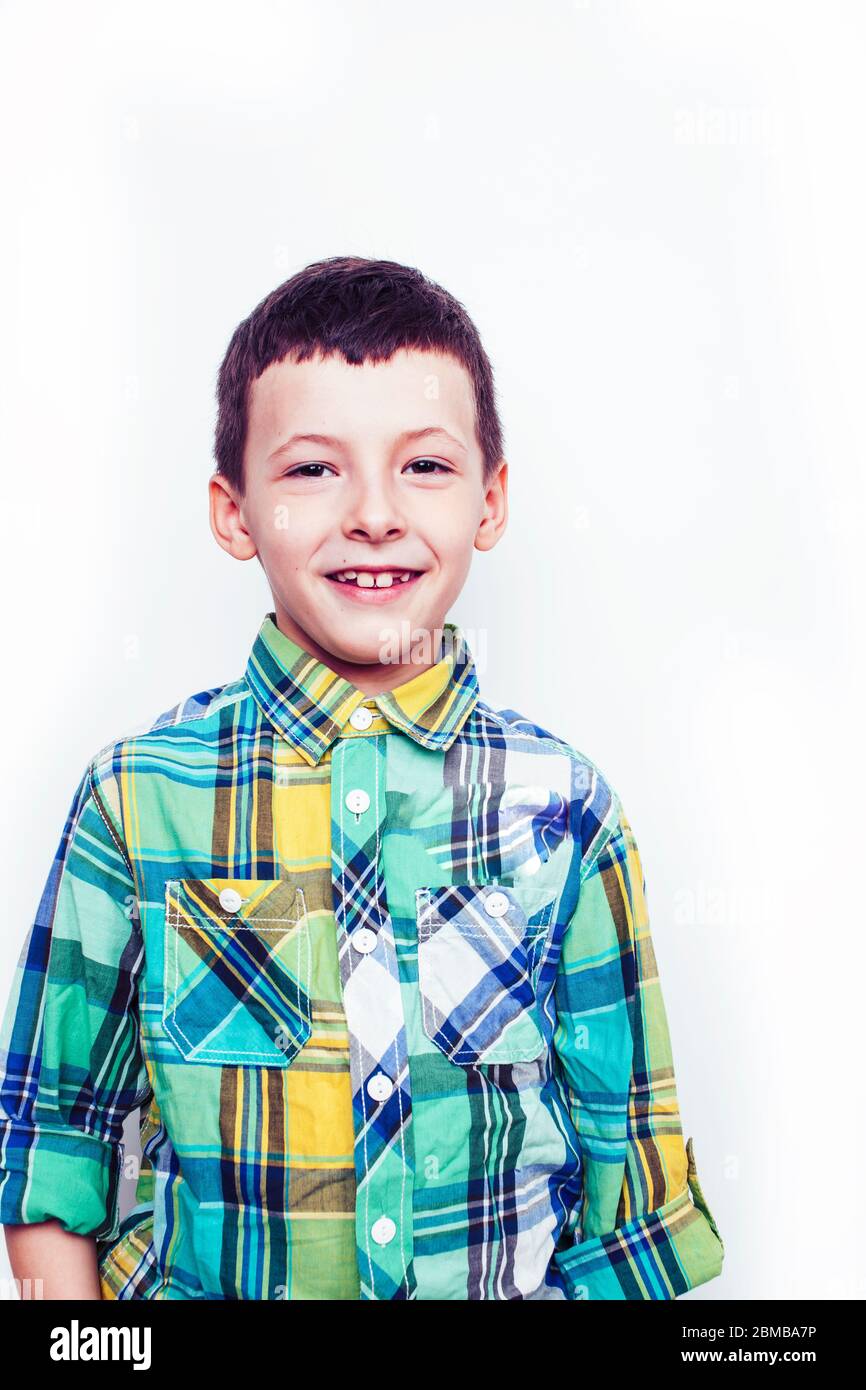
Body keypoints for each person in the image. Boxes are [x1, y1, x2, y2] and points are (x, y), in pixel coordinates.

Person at [0, 255, 724, 1300]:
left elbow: (630, 1190)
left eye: (423, 467)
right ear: (233, 510)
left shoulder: (563, 807)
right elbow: (54, 1138)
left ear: (490, 500)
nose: (374, 513)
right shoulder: (136, 797)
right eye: (311, 470)